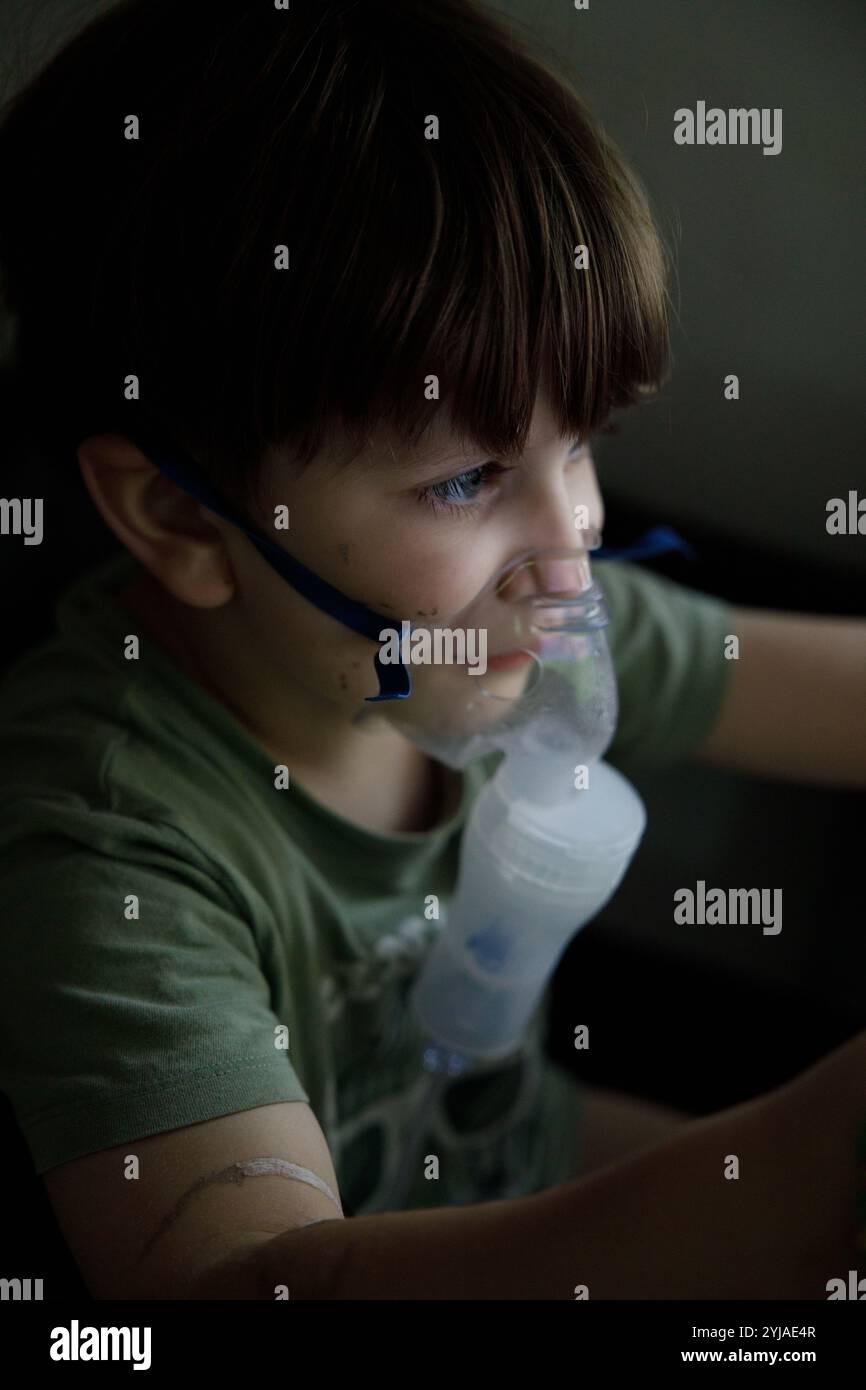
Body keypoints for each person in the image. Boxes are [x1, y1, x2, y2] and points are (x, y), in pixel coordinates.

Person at [0, 0, 863, 1300]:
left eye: (584, 445)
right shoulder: (105, 845)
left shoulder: (509, 629)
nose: (570, 548)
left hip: (517, 1165)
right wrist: (808, 1175)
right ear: (183, 517)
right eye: (467, 480)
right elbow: (245, 1286)